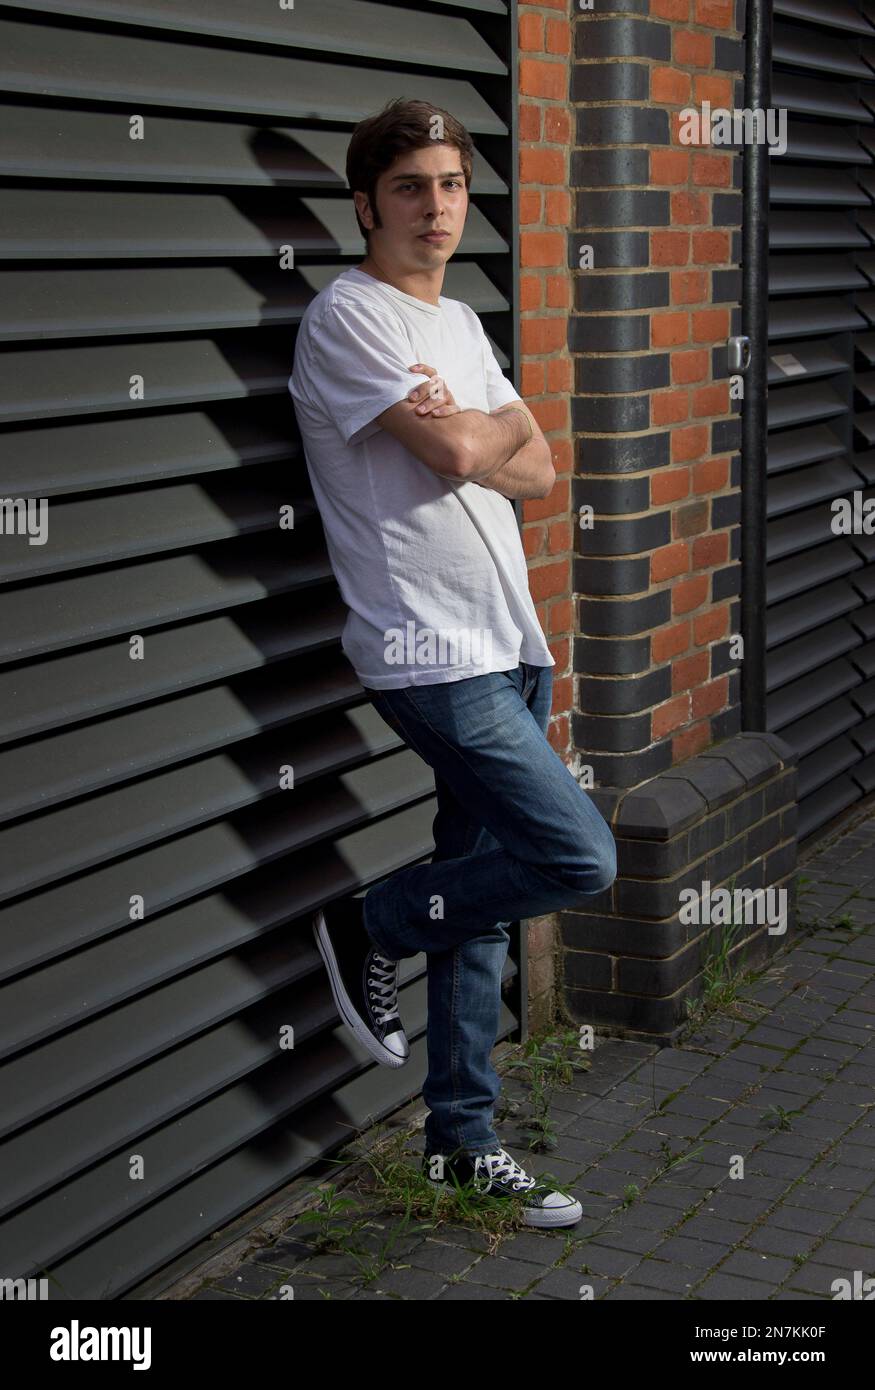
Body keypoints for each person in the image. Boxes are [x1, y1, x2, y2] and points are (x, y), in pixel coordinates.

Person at [288, 97, 617, 1229]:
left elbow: (537, 470)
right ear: (365, 202)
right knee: (575, 855)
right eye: (411, 187)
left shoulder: (462, 323)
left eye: (450, 186)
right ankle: (368, 923)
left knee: (473, 905)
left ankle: (460, 1143)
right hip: (428, 654)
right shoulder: (350, 319)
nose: (436, 208)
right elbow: (461, 447)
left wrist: (480, 434)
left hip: (507, 642)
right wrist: (478, 434)